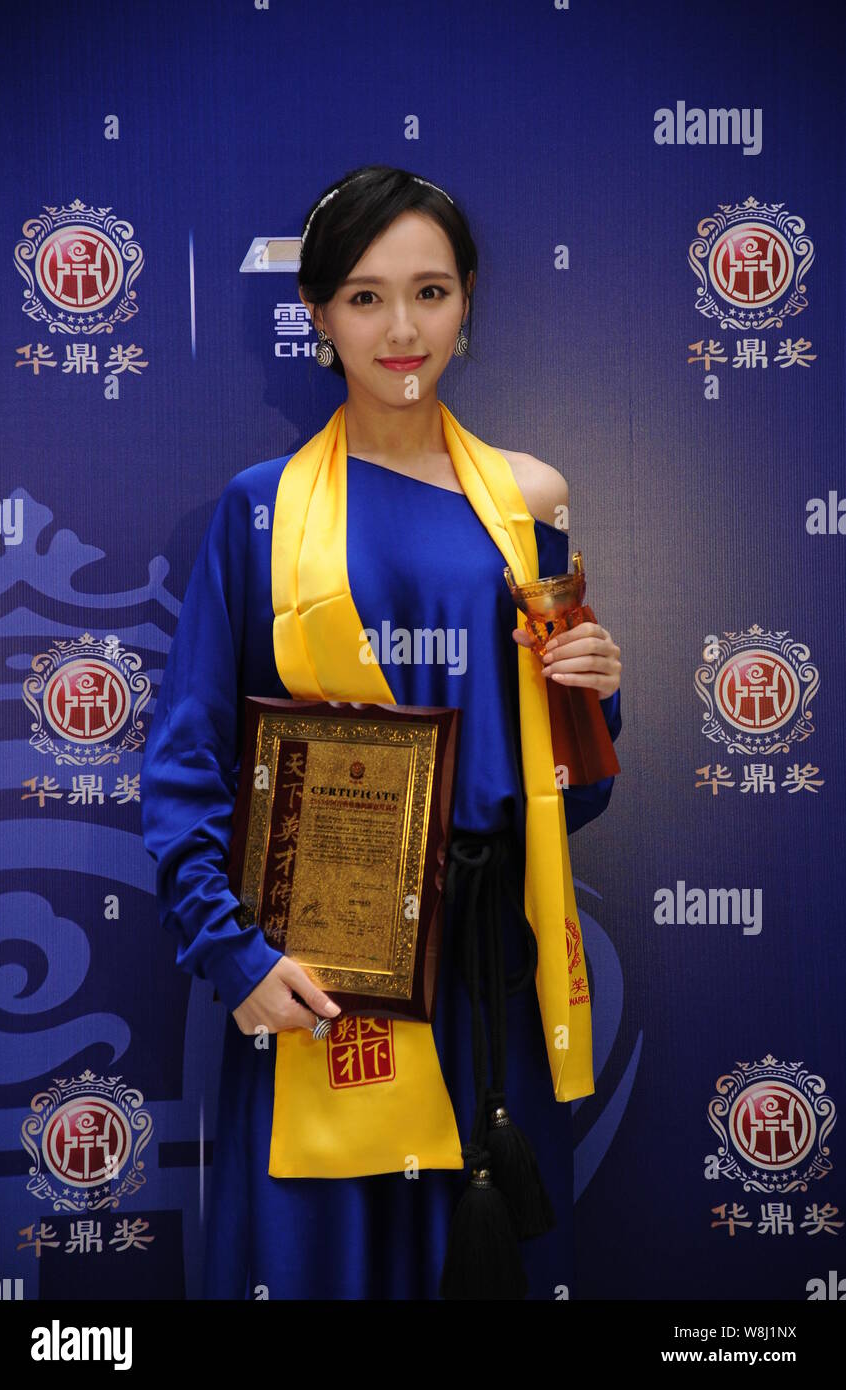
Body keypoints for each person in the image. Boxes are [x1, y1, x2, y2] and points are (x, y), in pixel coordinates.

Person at [140, 163, 623, 1300]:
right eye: (363, 297)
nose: (401, 329)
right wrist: (235, 954)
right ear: (314, 314)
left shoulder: (528, 499)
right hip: (322, 979)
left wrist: (592, 696)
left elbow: (574, 792)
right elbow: (186, 762)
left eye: (431, 291)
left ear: (468, 302)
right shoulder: (258, 510)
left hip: (487, 977)